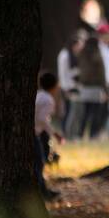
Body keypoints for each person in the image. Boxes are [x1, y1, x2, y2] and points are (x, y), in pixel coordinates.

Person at [34, 71, 63, 200]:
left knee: (38, 162)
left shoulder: (39, 95)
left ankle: (42, 189)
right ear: (54, 86)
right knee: (39, 162)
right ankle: (42, 192)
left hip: (36, 132)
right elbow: (42, 119)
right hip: (34, 133)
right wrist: (54, 133)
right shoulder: (48, 100)